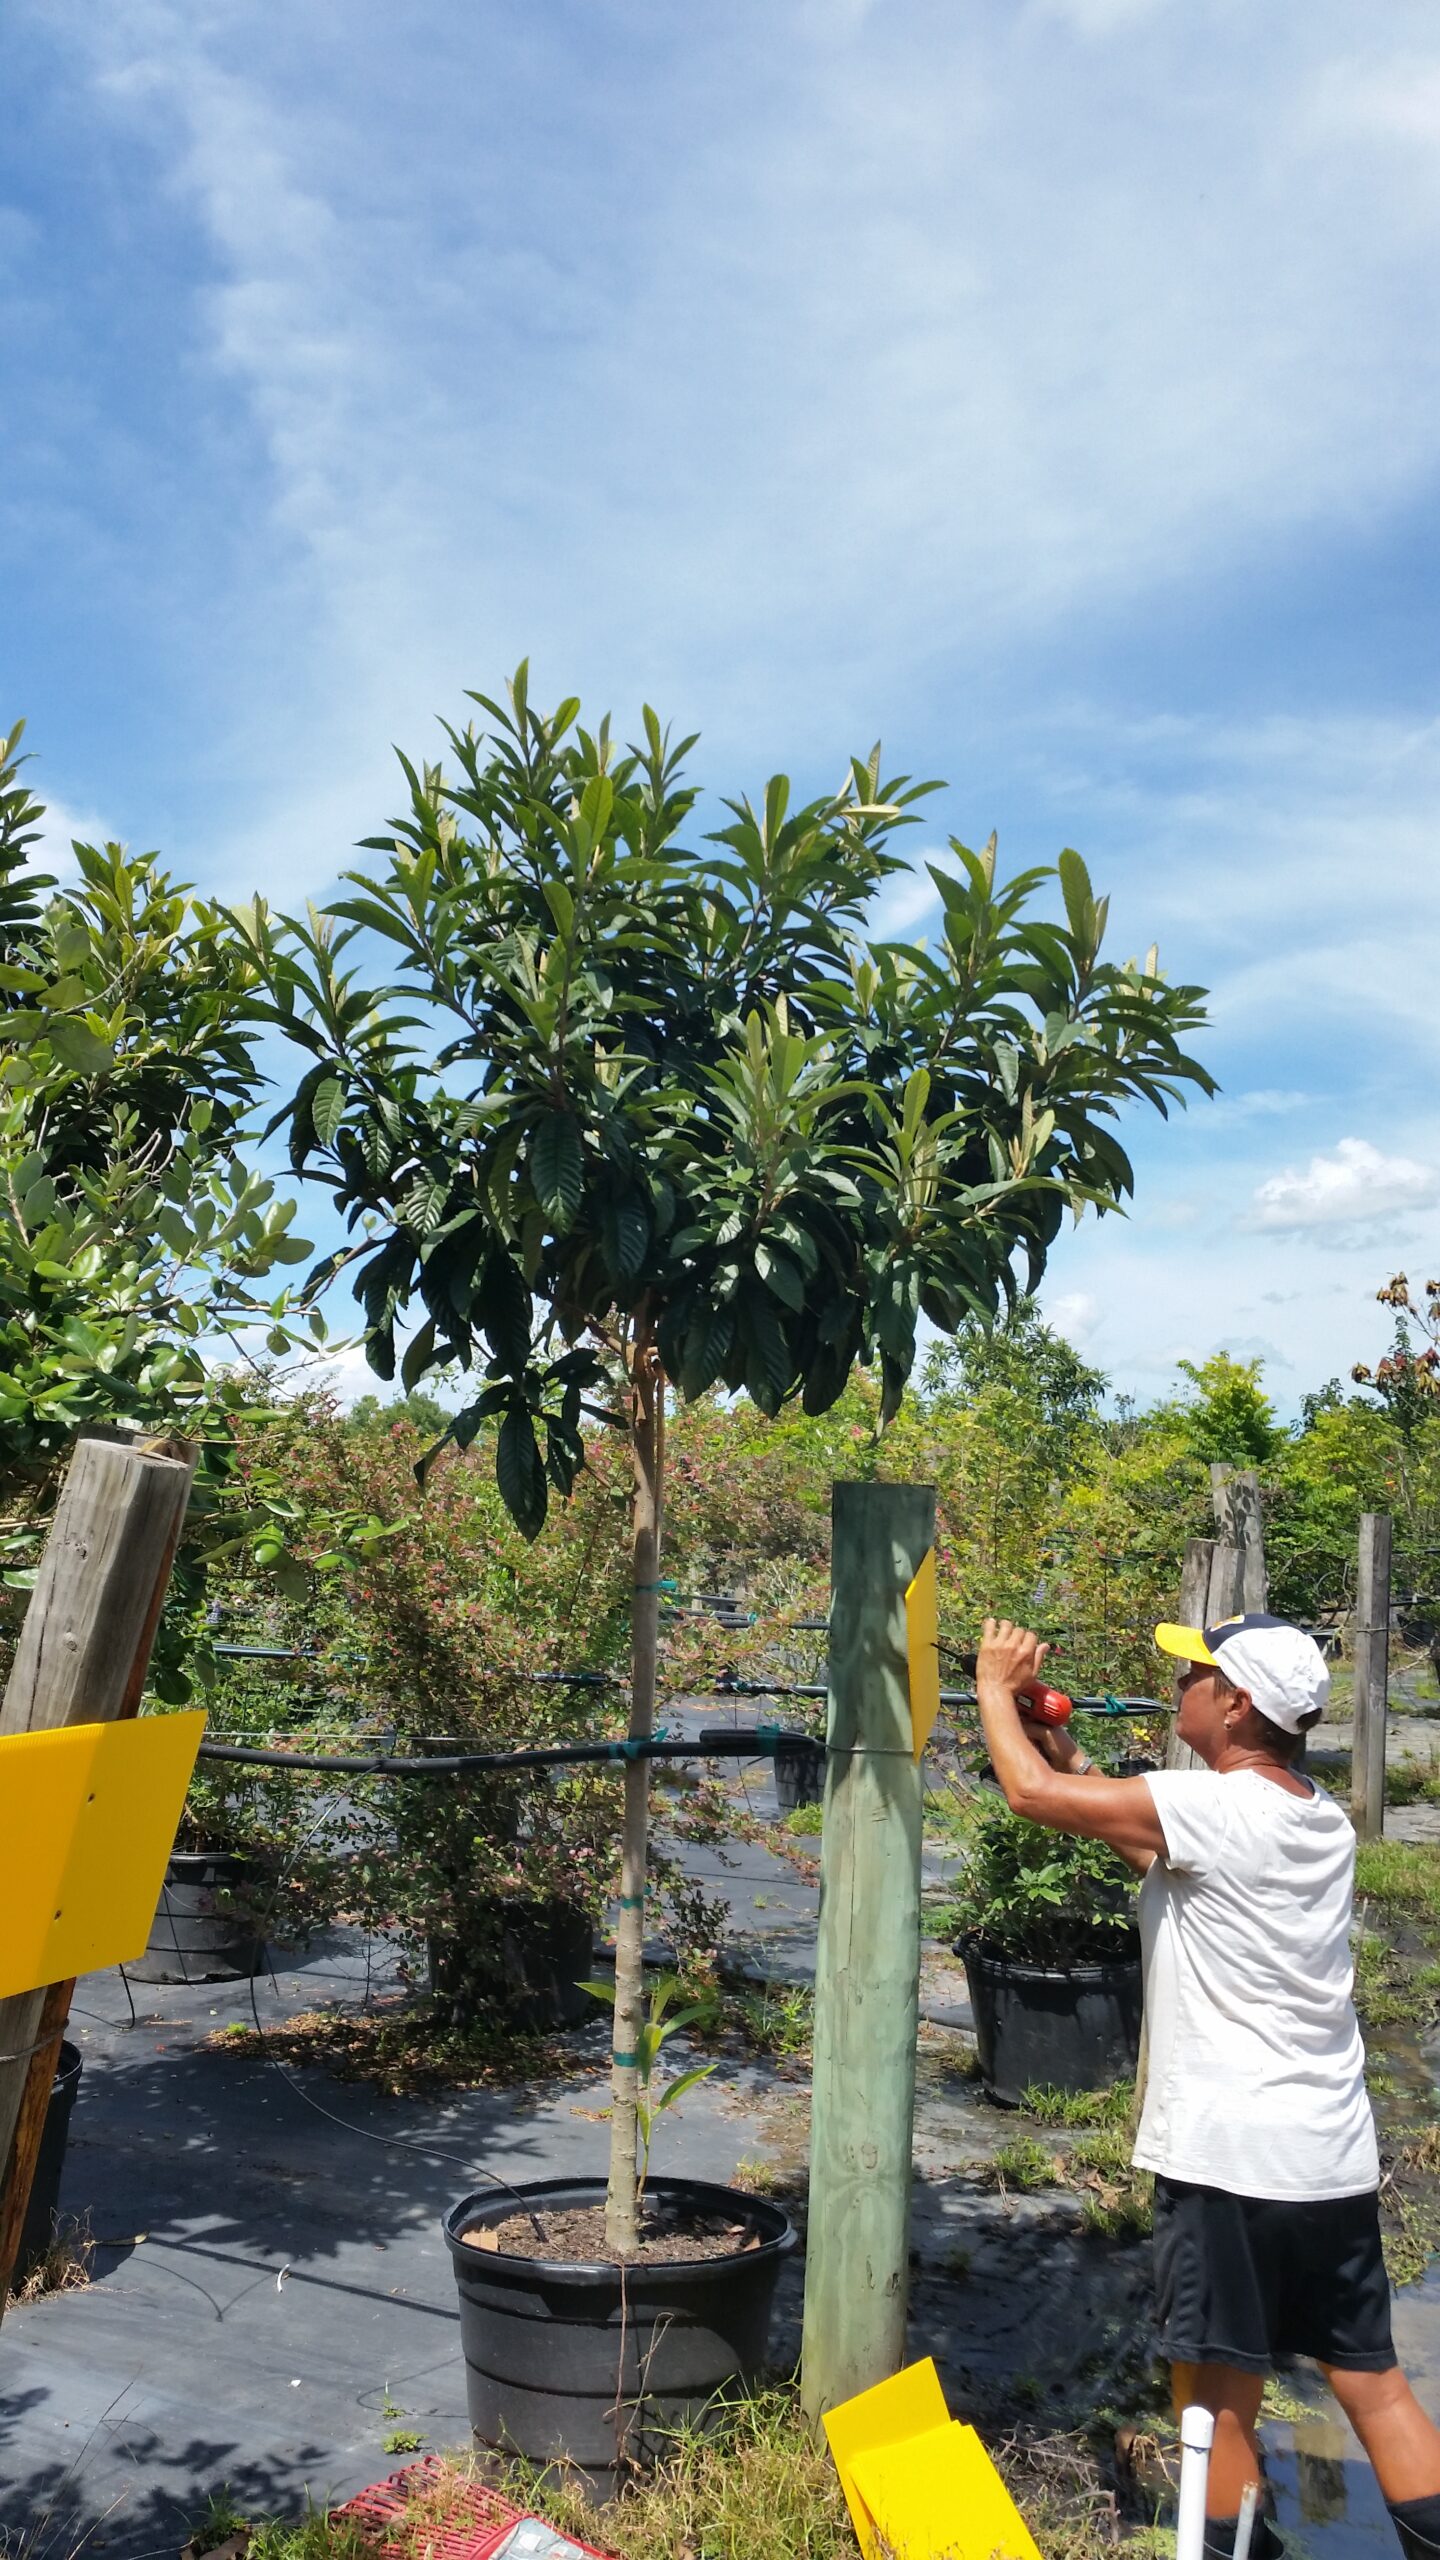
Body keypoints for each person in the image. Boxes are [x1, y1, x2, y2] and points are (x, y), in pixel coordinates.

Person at [975, 1608, 1440, 2560]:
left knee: (1214, 2389)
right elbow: (1165, 1859)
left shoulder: (1212, 1808)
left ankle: (1229, 2544)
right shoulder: (1314, 1815)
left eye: (1196, 1675)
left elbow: (1027, 1795)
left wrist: (992, 1686)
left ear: (1234, 1705)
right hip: (1327, 2154)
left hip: (1231, 2159)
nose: (1179, 1686)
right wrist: (1071, 1754)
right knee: (1370, 2377)